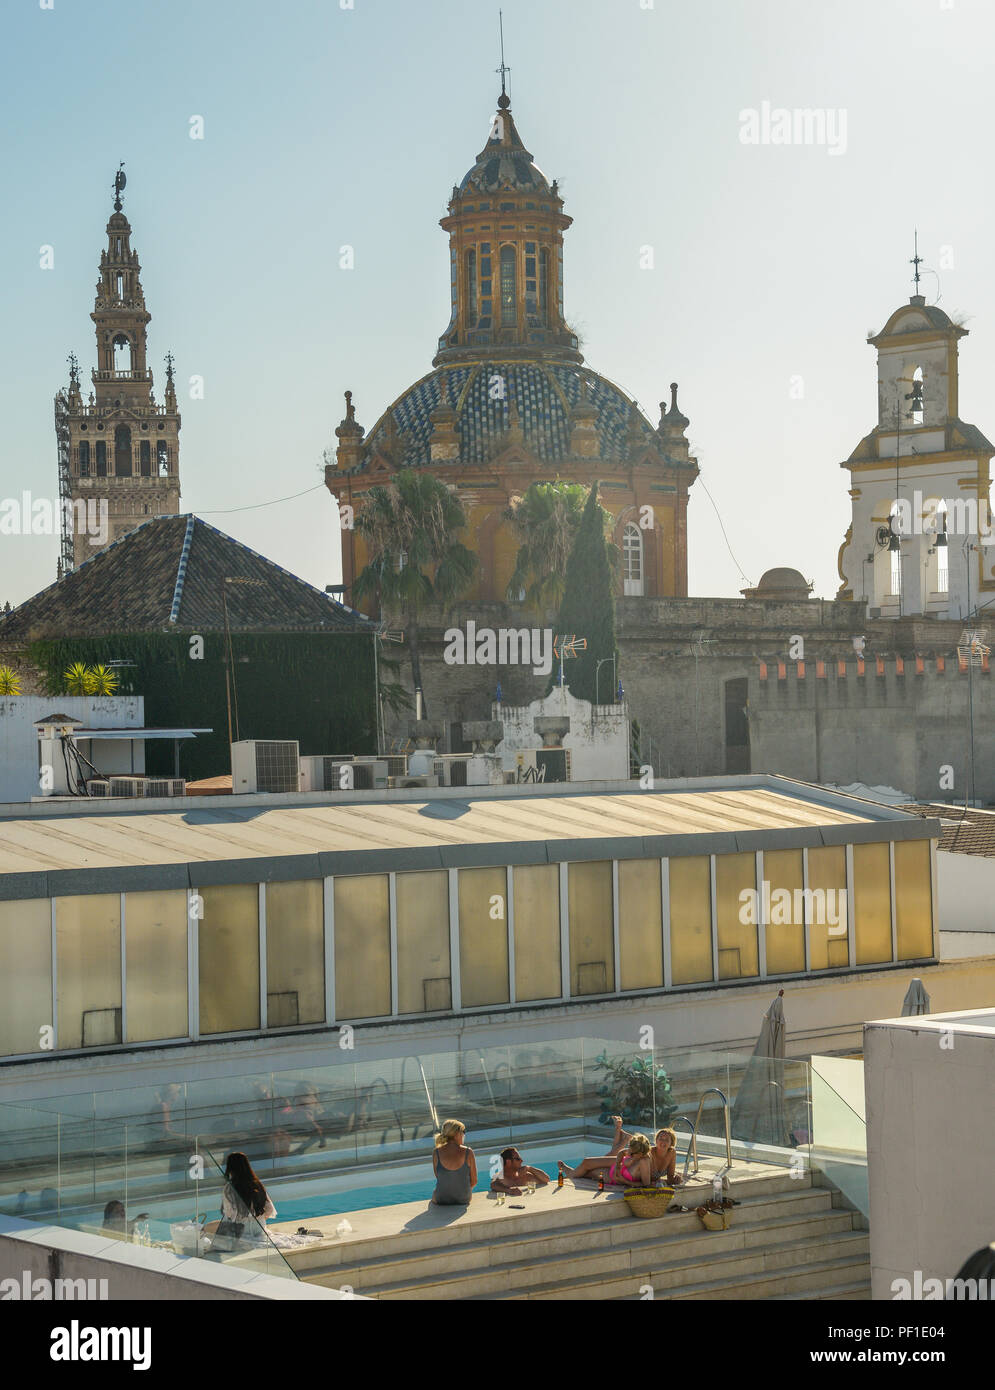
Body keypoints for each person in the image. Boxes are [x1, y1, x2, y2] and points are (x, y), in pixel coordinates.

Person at [606, 1117, 683, 1186]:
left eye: (667, 1140)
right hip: (623, 1164)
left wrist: (676, 1179)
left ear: (671, 1143)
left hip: (629, 1172)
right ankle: (622, 1133)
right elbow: (622, 1152)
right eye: (661, 1139)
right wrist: (617, 1166)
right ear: (656, 1141)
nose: (663, 1142)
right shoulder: (648, 1151)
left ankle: (622, 1133)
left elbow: (670, 1178)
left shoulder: (672, 1153)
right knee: (607, 1156)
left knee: (599, 1166)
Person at [557, 1134, 653, 1188]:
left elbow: (646, 1185)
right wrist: (617, 1165)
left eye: (632, 1154)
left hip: (613, 1177)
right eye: (630, 1151)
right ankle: (570, 1172)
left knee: (589, 1173)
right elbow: (621, 1153)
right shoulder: (634, 1149)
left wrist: (625, 1181)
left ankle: (568, 1172)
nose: (630, 1154)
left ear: (641, 1153)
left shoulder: (644, 1162)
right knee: (586, 1162)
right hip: (616, 1166)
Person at [219, 1151, 277, 1239]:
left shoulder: (229, 1188)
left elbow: (229, 1213)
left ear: (230, 1167)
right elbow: (270, 1209)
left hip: (240, 1230)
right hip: (259, 1229)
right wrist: (256, 1219)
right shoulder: (257, 1184)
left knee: (211, 1226)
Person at [430, 1119, 476, 1206]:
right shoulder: (468, 1152)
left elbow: (439, 1177)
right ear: (457, 1134)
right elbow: (474, 1181)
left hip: (441, 1198)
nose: (464, 1135)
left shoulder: (436, 1152)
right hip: (464, 1198)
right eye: (463, 1131)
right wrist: (461, 1191)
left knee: (433, 1195)